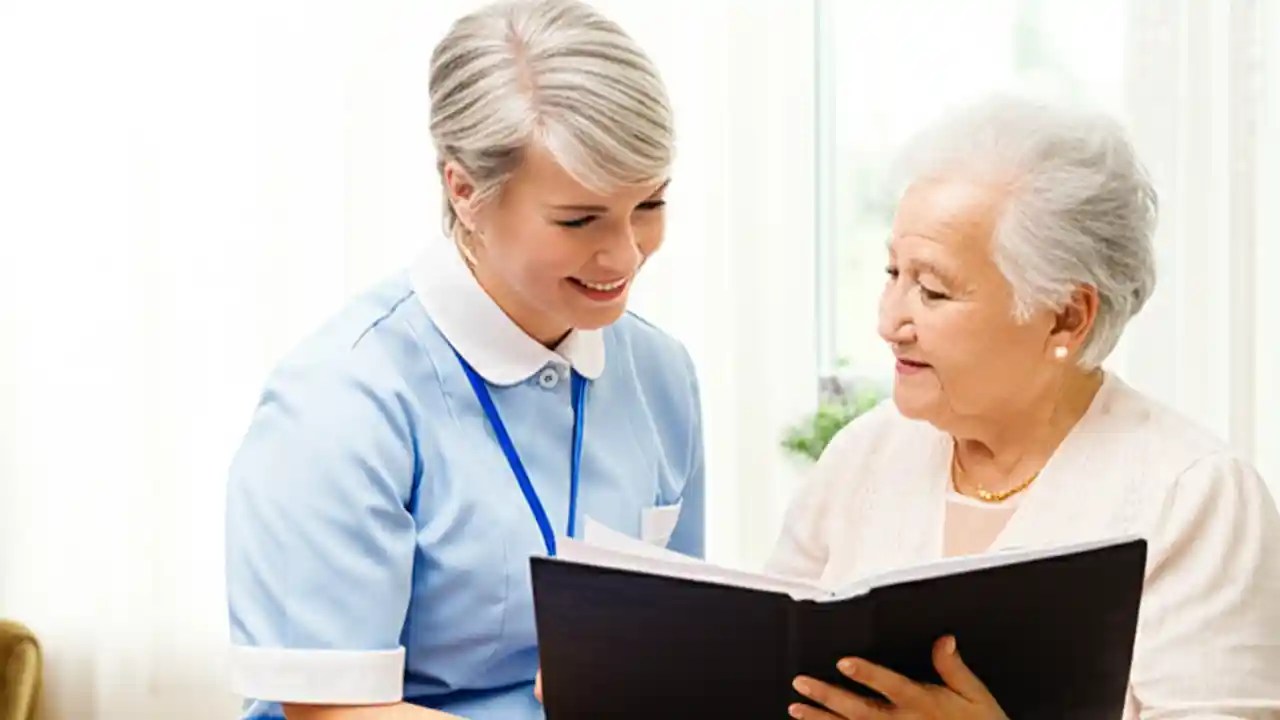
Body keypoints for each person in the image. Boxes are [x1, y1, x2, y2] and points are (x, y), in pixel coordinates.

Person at [224, 2, 704, 719]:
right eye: (579, 220)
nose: (626, 254)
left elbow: (689, 641)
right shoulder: (340, 399)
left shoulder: (660, 374)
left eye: (650, 205)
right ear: (465, 192)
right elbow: (332, 711)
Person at [770, 97, 1280, 719]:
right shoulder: (863, 455)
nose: (888, 321)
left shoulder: (1192, 495)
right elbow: (763, 676)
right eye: (892, 272)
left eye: (931, 289)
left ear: (1066, 315)